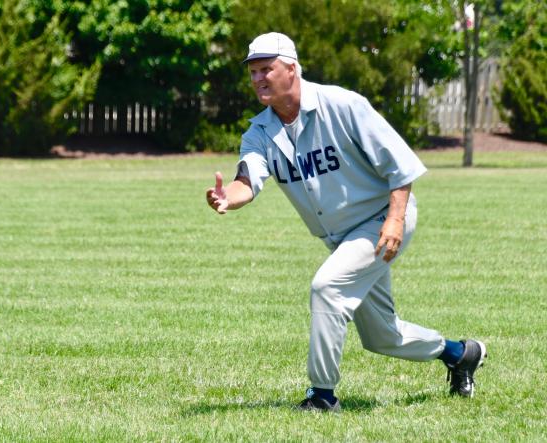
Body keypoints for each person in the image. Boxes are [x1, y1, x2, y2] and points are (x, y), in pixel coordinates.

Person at [205, 32, 487, 412]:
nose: (258, 79)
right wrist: (227, 197)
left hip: (382, 218)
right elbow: (247, 181)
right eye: (253, 72)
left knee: (326, 287)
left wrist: (395, 220)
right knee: (382, 336)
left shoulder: (343, 105)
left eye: (266, 69)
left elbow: (400, 166)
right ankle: (460, 354)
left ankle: (322, 397)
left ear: (291, 68)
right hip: (343, 237)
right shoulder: (260, 132)